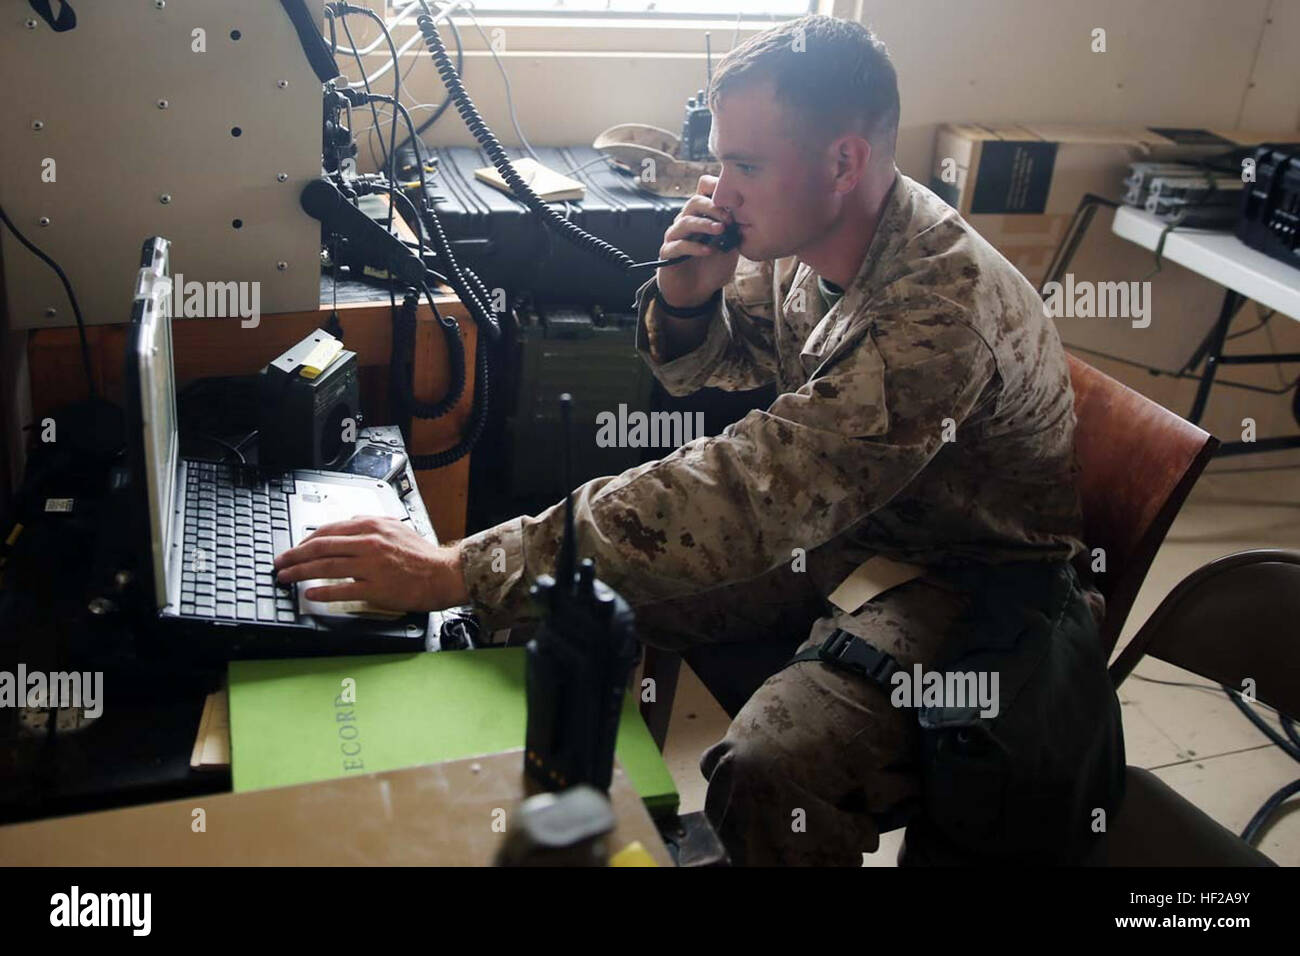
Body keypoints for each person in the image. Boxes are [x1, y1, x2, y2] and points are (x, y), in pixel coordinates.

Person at [275, 14, 1108, 865]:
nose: (720, 191)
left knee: (768, 765)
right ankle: (586, 830)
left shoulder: (937, 313)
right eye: (720, 161)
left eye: (745, 167)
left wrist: (459, 567)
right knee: (571, 613)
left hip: (961, 578)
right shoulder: (814, 237)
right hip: (846, 527)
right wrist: (684, 302)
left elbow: (748, 493)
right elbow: (729, 362)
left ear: (844, 161)